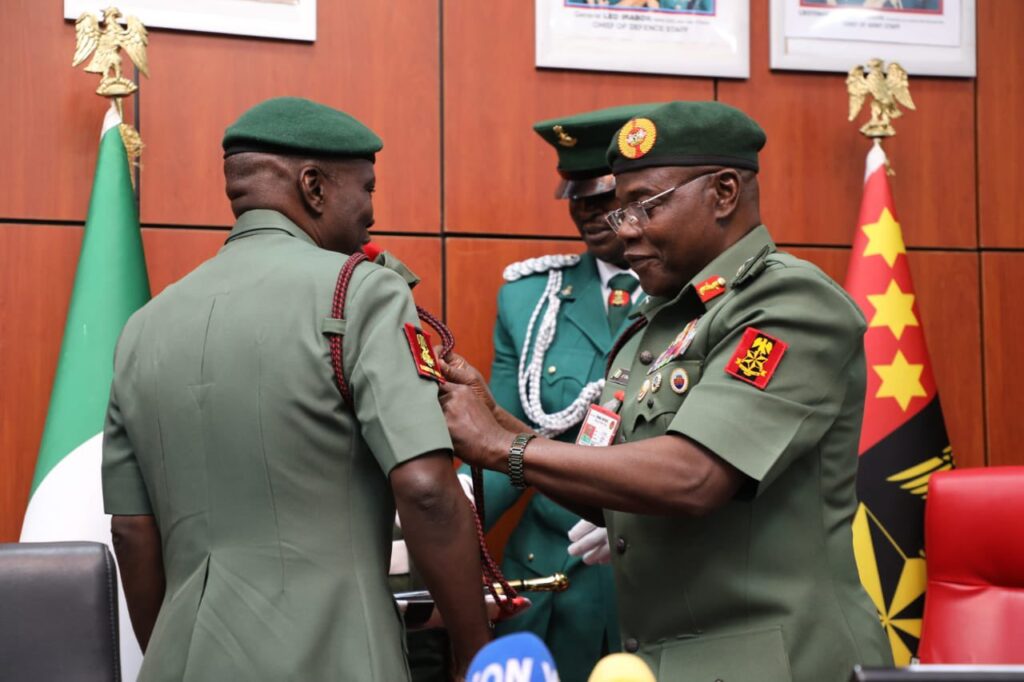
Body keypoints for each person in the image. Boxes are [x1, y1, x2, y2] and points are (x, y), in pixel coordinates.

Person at [439, 101, 893, 681]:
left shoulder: (790, 305)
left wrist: (506, 450)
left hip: (781, 661)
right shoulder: (662, 321)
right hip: (669, 659)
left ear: (724, 192)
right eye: (618, 207)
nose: (622, 227)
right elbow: (615, 493)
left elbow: (693, 476)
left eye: (643, 206)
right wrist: (498, 419)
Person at [101, 97, 490, 682]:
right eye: (367, 189)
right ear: (313, 186)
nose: (370, 213)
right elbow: (427, 490)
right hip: (339, 655)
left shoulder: (142, 327)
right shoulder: (363, 293)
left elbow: (131, 533)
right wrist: (475, 653)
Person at [459, 104, 653, 682]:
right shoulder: (530, 301)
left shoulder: (699, 299)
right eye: (578, 198)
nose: (590, 213)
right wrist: (450, 516)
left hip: (652, 569)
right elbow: (497, 434)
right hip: (549, 569)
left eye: (606, 197)